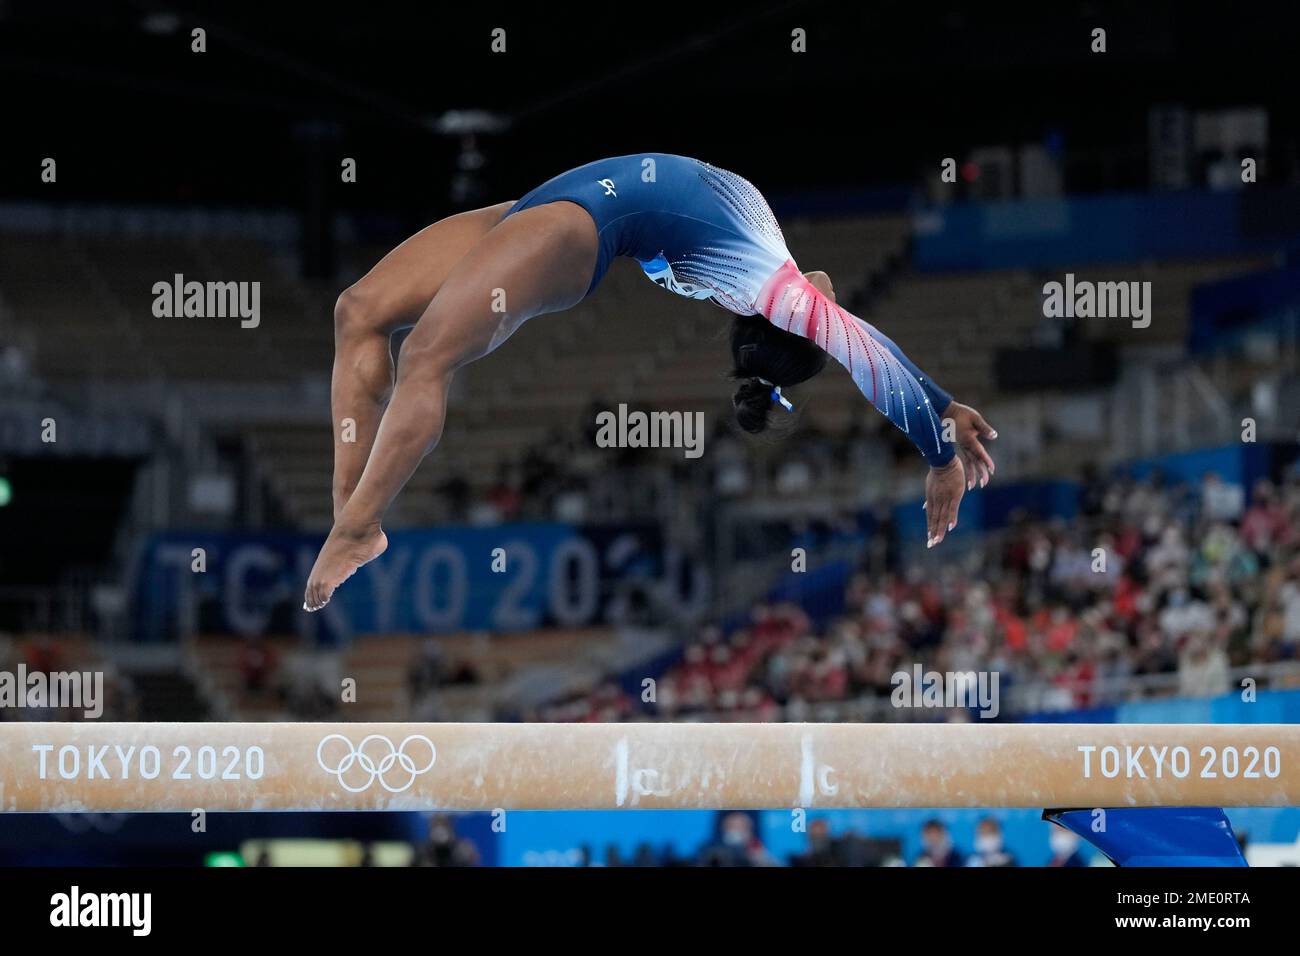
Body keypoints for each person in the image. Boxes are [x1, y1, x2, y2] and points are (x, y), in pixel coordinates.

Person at [305, 154, 997, 610]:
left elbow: (867, 354)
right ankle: (349, 513)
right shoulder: (762, 271)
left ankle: (364, 524)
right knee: (358, 312)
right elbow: (862, 342)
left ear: (793, 331)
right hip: (540, 205)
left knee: (427, 354)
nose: (830, 298)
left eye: (822, 316)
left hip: (574, 229)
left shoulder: (775, 290)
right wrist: (942, 408)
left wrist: (939, 450)